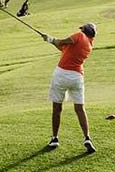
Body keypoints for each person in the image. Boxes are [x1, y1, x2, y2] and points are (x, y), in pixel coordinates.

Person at [42, 22, 98, 153]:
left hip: (61, 75)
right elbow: (63, 48)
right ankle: (87, 137)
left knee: (57, 108)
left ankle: (55, 138)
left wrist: (52, 39)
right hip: (77, 77)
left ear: (84, 30)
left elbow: (63, 42)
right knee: (80, 108)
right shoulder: (89, 45)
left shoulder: (79, 36)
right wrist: (50, 40)